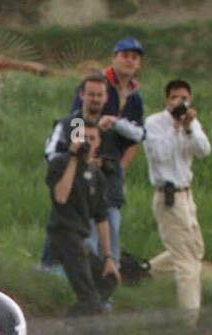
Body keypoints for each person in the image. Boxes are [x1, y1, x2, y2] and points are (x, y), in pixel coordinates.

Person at [71, 37, 146, 266]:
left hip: (113, 168)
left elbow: (137, 138)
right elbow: (74, 120)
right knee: (84, 224)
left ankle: (107, 277)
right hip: (87, 163)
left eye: (134, 57)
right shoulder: (95, 85)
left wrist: (121, 168)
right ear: (114, 57)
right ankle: (76, 273)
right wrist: (80, 157)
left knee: (111, 223)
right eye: (125, 56)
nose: (129, 61)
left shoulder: (135, 97)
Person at [144, 79, 211, 312]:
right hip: (167, 196)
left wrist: (189, 127)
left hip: (187, 196)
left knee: (196, 250)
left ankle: (145, 273)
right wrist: (173, 126)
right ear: (166, 99)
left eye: (184, 98)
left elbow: (204, 151)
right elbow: (159, 155)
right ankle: (189, 321)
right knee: (188, 263)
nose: (179, 102)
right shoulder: (154, 123)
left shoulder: (191, 123)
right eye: (174, 97)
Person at [46, 121, 120, 317]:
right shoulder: (60, 163)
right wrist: (73, 157)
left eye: (92, 138)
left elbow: (101, 218)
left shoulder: (97, 175)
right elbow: (61, 197)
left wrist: (108, 258)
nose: (88, 142)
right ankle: (75, 325)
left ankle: (81, 315)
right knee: (89, 298)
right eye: (83, 137)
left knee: (108, 280)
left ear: (98, 142)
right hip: (63, 233)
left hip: (81, 238)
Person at [39, 73, 109, 272]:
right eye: (91, 94)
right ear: (82, 95)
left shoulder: (108, 125)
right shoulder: (75, 123)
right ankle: (50, 269)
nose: (95, 99)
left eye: (99, 95)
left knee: (99, 236)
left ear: (106, 97)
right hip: (68, 190)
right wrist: (75, 161)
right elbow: (54, 153)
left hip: (97, 190)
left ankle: (99, 278)